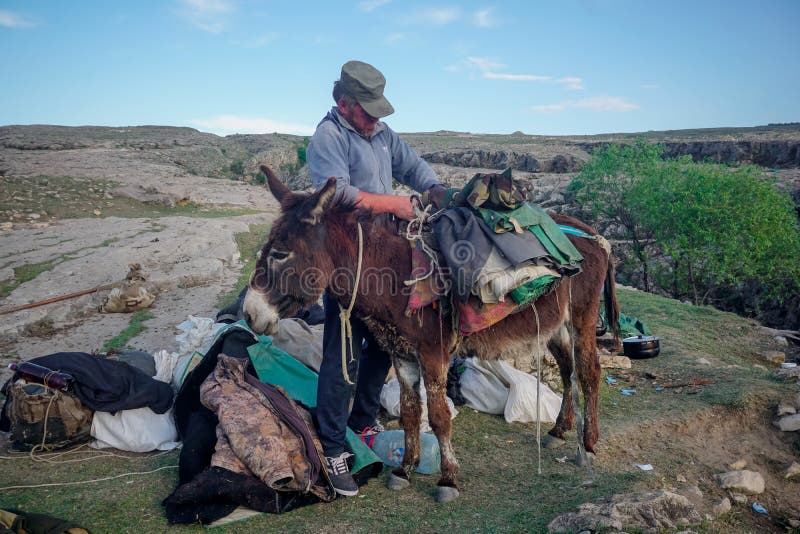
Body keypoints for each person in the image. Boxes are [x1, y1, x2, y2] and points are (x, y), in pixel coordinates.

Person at [307, 60, 445, 496]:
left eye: (378, 110)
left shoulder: (381, 133)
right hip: (349, 263)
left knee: (388, 344)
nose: (376, 118)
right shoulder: (327, 137)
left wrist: (437, 189)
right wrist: (394, 204)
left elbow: (414, 166)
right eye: (368, 110)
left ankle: (361, 421)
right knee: (342, 349)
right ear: (343, 103)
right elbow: (338, 193)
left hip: (386, 258)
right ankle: (332, 449)